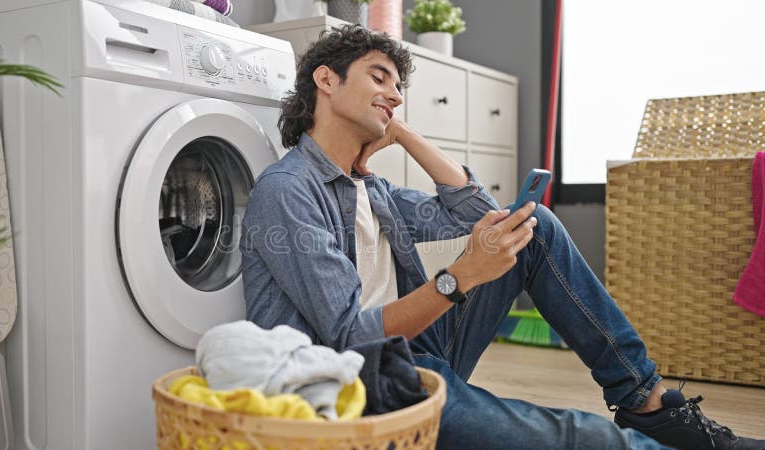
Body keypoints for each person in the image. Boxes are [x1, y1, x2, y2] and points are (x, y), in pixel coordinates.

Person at [240, 24, 764, 450]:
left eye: (399, 88)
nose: (395, 96)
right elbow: (348, 337)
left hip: (413, 350)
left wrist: (403, 135)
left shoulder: (371, 190)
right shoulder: (288, 189)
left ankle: (646, 401)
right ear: (326, 80)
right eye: (380, 79)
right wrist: (458, 279)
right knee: (581, 437)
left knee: (532, 229)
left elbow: (484, 217)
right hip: (361, 379)